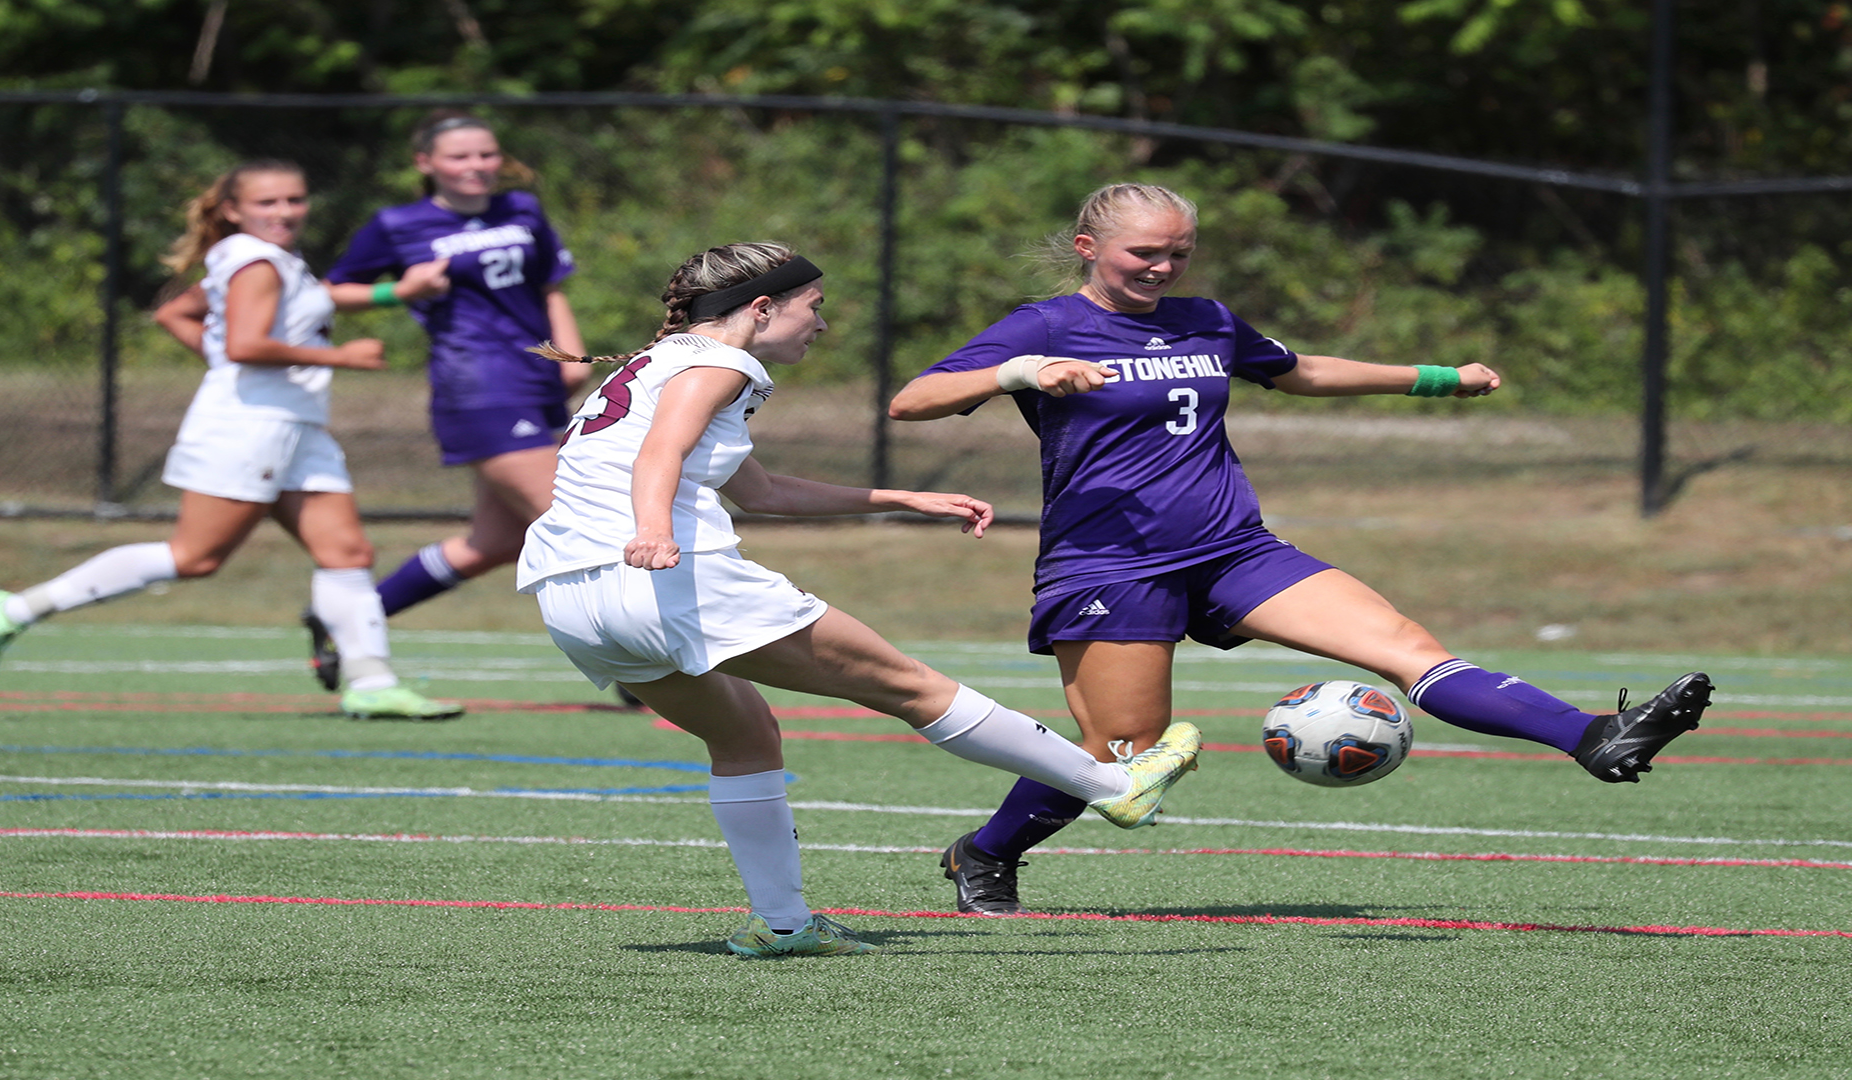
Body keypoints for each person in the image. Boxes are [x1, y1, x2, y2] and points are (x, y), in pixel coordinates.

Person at [887, 183, 1714, 915]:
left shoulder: (1207, 320)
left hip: (1231, 547)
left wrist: (1438, 379)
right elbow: (913, 401)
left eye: (1179, 253)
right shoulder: (1045, 325)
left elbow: (1300, 371)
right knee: (1121, 751)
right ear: (1087, 247)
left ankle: (1593, 735)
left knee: (1407, 649)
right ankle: (986, 852)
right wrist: (1022, 373)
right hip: (1111, 564)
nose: (1163, 268)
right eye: (1145, 253)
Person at [517, 242, 1203, 957]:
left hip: (569, 594)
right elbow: (660, 452)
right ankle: (1109, 785)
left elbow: (761, 491)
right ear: (761, 308)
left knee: (745, 736)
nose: (821, 324)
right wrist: (655, 529)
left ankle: (784, 926)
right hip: (663, 574)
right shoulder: (722, 364)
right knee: (912, 686)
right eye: (814, 307)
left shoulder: (659, 364)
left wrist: (903, 498)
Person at [0, 161, 462, 721]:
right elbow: (245, 345)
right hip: (250, 426)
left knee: (346, 554)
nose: (285, 212)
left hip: (293, 425)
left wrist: (397, 292)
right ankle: (14, 609)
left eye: (294, 200)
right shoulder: (257, 262)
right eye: (267, 202)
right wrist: (339, 357)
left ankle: (372, 683)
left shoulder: (262, 258)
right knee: (195, 557)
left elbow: (180, 313)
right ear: (232, 210)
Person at [314, 110, 597, 695]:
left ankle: (348, 620)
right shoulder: (399, 224)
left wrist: (571, 355)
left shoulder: (521, 209)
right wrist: (401, 290)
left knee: (494, 544)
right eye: (460, 156)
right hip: (479, 387)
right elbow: (328, 291)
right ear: (426, 163)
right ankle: (640, 664)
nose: (477, 166)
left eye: (486, 154)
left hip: (538, 378)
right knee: (580, 521)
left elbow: (549, 286)